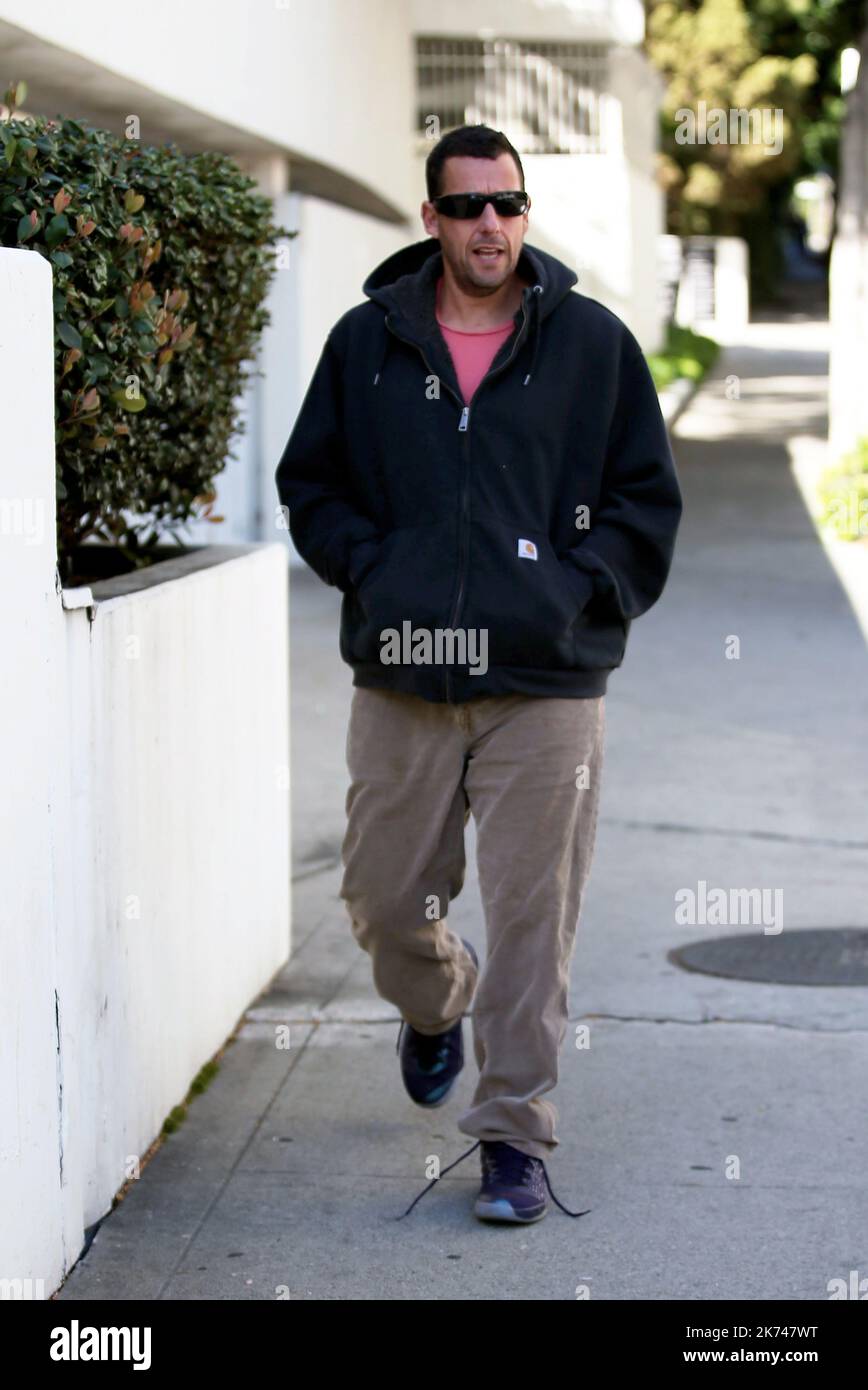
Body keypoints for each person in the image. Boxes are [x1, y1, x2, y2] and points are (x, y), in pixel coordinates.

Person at [274, 123, 683, 1224]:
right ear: (431, 220)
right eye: (465, 207)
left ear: (524, 212)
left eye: (504, 204)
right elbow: (309, 485)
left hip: (546, 682)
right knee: (379, 898)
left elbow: (646, 501)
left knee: (532, 915)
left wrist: (573, 588)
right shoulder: (368, 344)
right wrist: (376, 568)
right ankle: (432, 1000)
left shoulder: (590, 345)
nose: (487, 225)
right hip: (404, 672)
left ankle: (513, 1134)